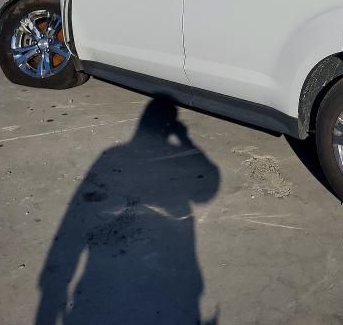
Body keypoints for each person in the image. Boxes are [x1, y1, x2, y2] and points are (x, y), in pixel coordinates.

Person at [36, 97, 220, 324]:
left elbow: (71, 220)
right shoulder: (114, 156)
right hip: (176, 278)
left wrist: (51, 291)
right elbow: (207, 191)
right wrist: (185, 139)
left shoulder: (111, 155)